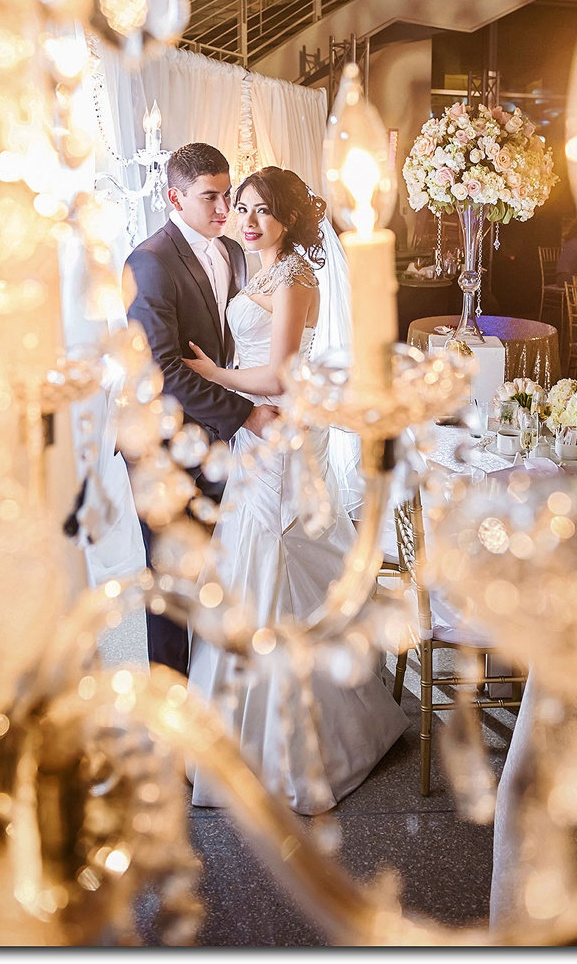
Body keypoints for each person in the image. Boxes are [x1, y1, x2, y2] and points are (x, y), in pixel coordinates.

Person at [172, 169, 404, 811]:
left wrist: (214, 374)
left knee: (269, 558)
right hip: (262, 434)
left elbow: (280, 372)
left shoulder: (296, 275)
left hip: (281, 434)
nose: (247, 221)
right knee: (249, 564)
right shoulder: (260, 270)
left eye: (262, 211)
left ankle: (300, 749)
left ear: (289, 219)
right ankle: (240, 733)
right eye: (241, 208)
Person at [121, 142, 280, 675]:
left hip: (218, 434)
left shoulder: (234, 253)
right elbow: (162, 368)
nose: (223, 208)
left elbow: (227, 349)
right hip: (163, 443)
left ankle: (213, 692)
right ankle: (168, 706)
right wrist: (246, 414)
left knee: (216, 568)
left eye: (226, 195)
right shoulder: (149, 261)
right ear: (175, 197)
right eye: (209, 197)